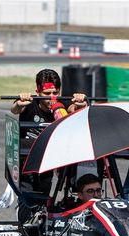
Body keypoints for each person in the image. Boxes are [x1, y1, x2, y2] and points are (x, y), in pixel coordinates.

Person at [11, 69, 87, 222]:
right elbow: (16, 109)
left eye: (55, 92)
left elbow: (74, 109)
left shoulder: (62, 105)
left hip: (49, 161)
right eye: (46, 93)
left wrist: (80, 103)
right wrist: (20, 103)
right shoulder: (30, 103)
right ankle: (24, 222)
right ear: (37, 91)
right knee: (28, 199)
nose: (51, 97)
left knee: (43, 198)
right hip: (27, 161)